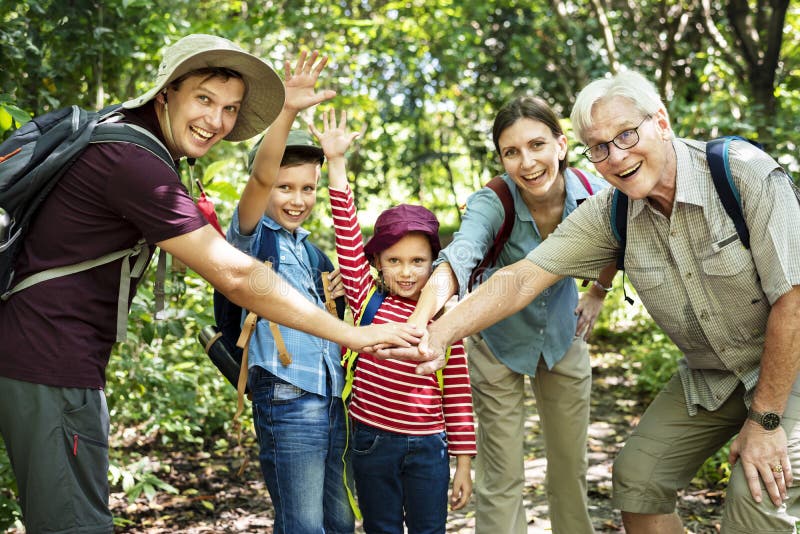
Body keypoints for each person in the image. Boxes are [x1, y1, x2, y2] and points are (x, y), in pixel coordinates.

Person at [0, 34, 419, 534]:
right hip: (49, 357)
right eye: (204, 99)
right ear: (165, 94)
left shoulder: (131, 144)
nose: (216, 121)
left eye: (230, 109)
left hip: (54, 359)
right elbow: (236, 273)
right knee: (74, 524)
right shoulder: (134, 164)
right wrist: (356, 335)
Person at [402, 70, 800, 534]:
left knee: (754, 500)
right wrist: (437, 333)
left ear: (662, 122)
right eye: (601, 147)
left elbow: (793, 300)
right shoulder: (611, 211)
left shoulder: (741, 171)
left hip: (788, 366)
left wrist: (766, 421)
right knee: (637, 482)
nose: (617, 156)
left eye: (627, 134)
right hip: (712, 375)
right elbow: (521, 278)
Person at [408, 95, 613, 534]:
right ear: (501, 158)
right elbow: (459, 257)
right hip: (495, 343)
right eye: (512, 152)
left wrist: (599, 289)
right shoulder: (494, 201)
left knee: (569, 469)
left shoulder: (595, 195)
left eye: (537, 145)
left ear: (561, 144)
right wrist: (420, 321)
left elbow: (617, 237)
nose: (528, 162)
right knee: (501, 475)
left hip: (563, 336)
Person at [311, 108, 476, 534]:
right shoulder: (366, 299)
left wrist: (463, 464)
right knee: (381, 528)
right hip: (371, 440)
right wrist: (336, 161)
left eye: (418, 261)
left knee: (428, 530)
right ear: (378, 264)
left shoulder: (443, 316)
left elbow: (457, 392)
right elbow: (346, 232)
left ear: (434, 263)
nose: (406, 271)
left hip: (428, 447)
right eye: (395, 261)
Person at [226, 50, 355, 534]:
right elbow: (260, 177)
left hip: (326, 395)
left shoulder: (312, 253)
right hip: (286, 393)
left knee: (340, 520)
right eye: (286, 187)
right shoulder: (252, 235)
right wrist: (287, 111)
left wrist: (334, 295)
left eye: (307, 189)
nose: (297, 200)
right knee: (302, 524)